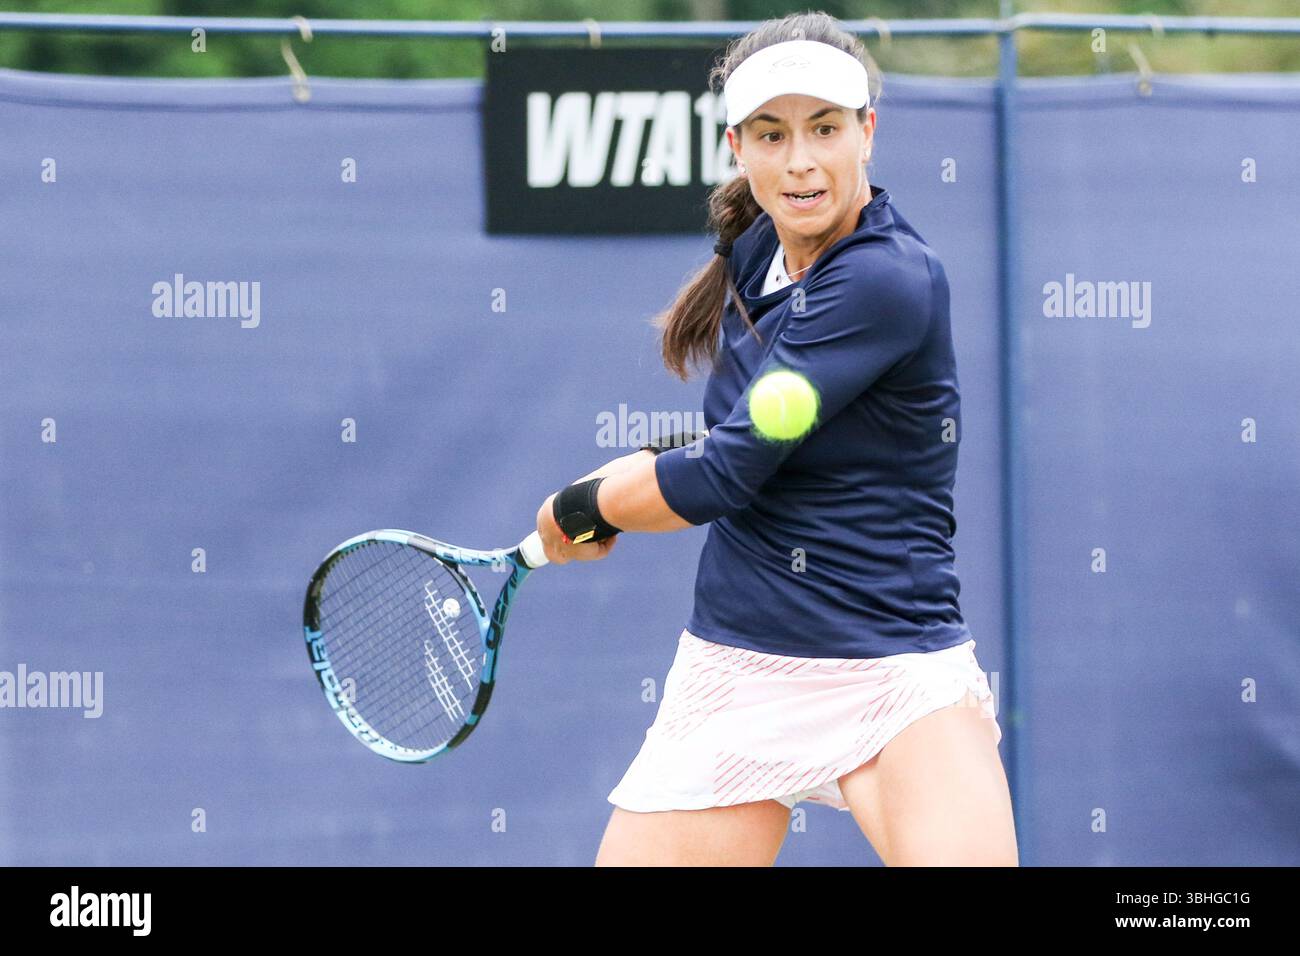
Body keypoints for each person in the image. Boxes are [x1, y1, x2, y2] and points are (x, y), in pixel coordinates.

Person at [534, 11, 1017, 867]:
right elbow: (741, 438)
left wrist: (582, 506)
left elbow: (728, 469)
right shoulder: (756, 251)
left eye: (825, 129)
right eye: (772, 133)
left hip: (894, 670)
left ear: (867, 132)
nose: (800, 161)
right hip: (738, 664)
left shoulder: (887, 281)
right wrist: (633, 480)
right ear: (738, 146)